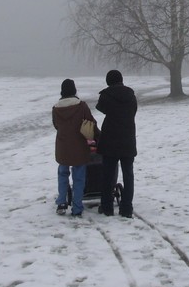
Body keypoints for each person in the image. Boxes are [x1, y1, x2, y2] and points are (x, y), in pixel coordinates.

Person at [52, 78, 97, 218]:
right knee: (79, 177)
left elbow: (56, 126)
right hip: (79, 146)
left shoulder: (56, 108)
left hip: (63, 146)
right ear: (74, 90)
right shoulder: (81, 106)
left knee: (63, 173)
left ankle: (61, 202)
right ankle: (77, 208)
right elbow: (90, 123)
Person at [96, 69, 137, 218]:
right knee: (128, 175)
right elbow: (133, 111)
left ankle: (107, 207)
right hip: (127, 139)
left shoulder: (106, 96)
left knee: (107, 175)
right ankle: (127, 208)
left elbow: (100, 108)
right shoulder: (131, 96)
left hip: (110, 140)